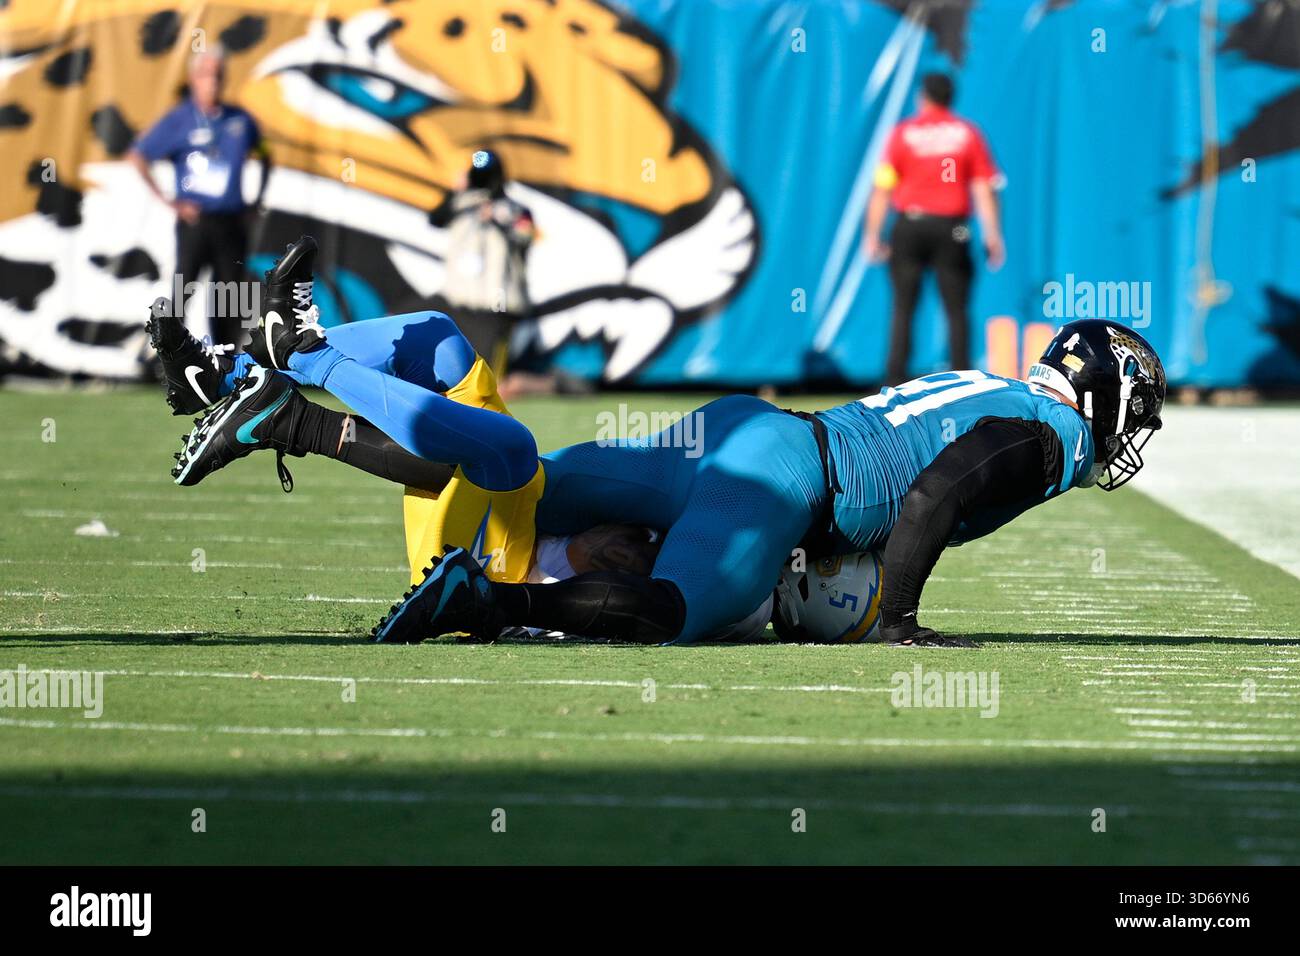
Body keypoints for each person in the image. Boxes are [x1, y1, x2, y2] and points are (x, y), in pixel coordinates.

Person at [168, 239, 1165, 649]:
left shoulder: (994, 384)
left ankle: (280, 398)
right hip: (783, 474)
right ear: (1100, 392)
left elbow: (930, 471)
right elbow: (933, 492)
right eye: (1134, 405)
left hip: (748, 428)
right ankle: (485, 598)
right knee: (675, 607)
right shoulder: (1049, 433)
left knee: (512, 471)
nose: (1130, 428)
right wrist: (896, 618)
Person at [864, 72, 1004, 384]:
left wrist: (873, 234)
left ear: (923, 97)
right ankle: (963, 384)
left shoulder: (904, 133)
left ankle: (894, 384)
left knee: (903, 308)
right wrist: (993, 234)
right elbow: (983, 187)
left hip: (911, 224)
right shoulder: (967, 133)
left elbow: (883, 188)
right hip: (952, 229)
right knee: (957, 309)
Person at [130, 45, 270, 348]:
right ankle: (170, 357)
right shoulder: (180, 119)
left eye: (219, 75)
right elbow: (139, 155)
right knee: (183, 290)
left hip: (231, 221)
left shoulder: (240, 120)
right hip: (196, 221)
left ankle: (226, 360)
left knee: (228, 297)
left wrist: (256, 200)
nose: (214, 81)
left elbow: (265, 154)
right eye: (207, 75)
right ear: (194, 78)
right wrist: (170, 202)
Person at [429, 149, 535, 374]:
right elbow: (435, 218)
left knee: (488, 375)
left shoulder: (514, 209)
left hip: (496, 304)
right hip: (460, 300)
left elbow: (525, 235)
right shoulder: (462, 204)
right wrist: (455, 190)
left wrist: (497, 217)